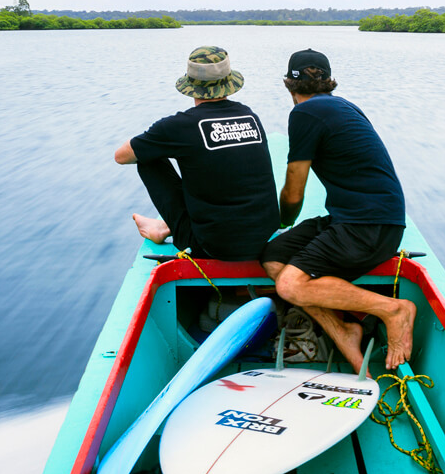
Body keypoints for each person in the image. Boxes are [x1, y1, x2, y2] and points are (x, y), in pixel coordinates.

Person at [261, 48, 416, 372]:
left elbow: (294, 191)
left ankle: (392, 310)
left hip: (370, 226)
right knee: (274, 256)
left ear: (289, 85)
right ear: (328, 82)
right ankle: (342, 330)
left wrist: (282, 220)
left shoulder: (304, 114)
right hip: (356, 219)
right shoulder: (343, 105)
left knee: (290, 285)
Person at [114, 46, 279, 261]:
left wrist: (155, 139)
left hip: (214, 248)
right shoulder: (249, 116)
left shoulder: (179, 125)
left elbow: (121, 156)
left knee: (148, 158)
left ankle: (169, 227)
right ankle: (166, 227)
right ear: (228, 82)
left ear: (190, 84)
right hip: (266, 237)